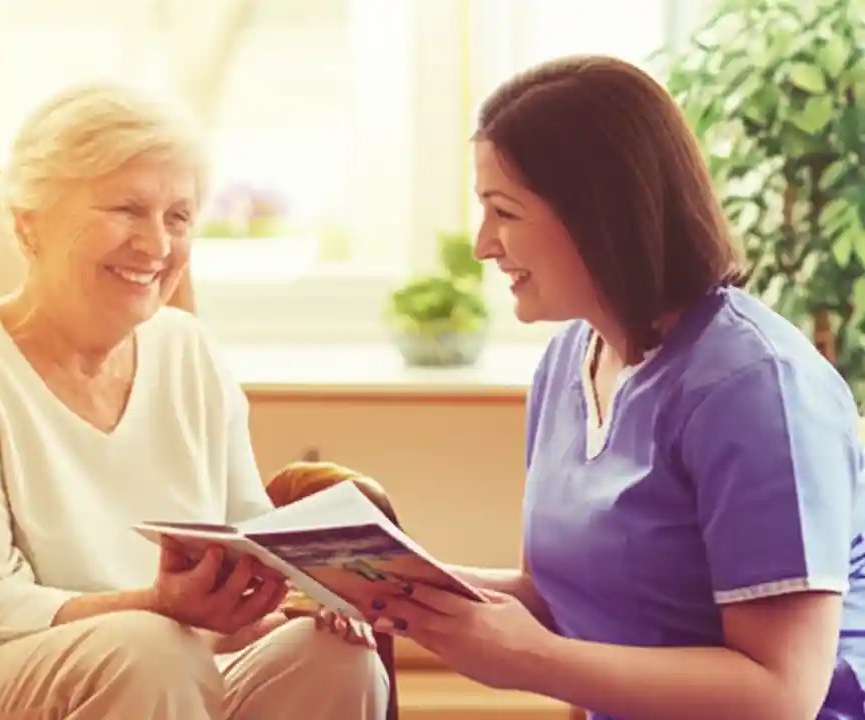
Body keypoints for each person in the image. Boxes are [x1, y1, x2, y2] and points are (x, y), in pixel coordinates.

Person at [365, 55, 865, 720]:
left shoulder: (755, 387)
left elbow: (781, 694)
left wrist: (527, 659)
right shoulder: (569, 361)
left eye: (503, 211)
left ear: (599, 215)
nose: (484, 244)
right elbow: (559, 597)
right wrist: (392, 591)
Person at [0, 81, 388, 720]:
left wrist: (305, 594)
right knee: (152, 652)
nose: (157, 245)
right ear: (29, 225)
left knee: (335, 657)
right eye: (125, 209)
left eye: (178, 216)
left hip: (167, 667)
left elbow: (250, 532)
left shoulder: (189, 350)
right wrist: (155, 609)